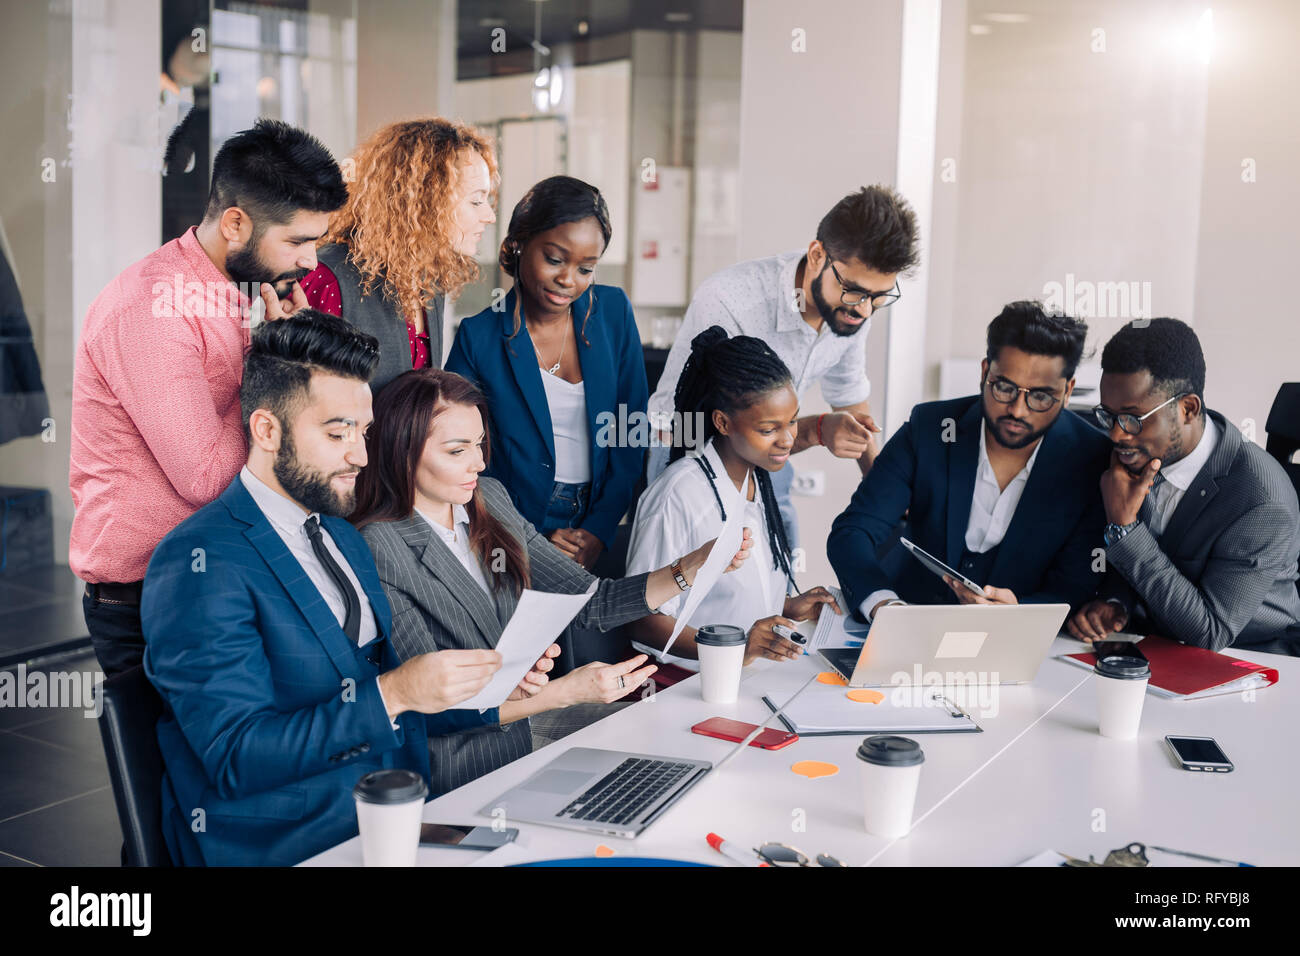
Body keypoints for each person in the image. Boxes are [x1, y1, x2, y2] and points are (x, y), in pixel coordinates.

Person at [142, 312, 557, 866]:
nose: (360, 456)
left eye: (362, 434)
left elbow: (389, 699)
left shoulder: (342, 534)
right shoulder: (200, 563)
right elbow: (236, 756)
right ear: (267, 431)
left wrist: (488, 686)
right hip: (289, 841)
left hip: (397, 814)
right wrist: (396, 693)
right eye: (337, 434)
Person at [351, 368, 753, 791]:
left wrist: (692, 566)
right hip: (464, 756)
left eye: (480, 444)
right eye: (457, 451)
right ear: (403, 451)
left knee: (678, 748)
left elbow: (593, 603)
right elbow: (431, 711)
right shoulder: (379, 547)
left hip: (526, 717)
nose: (480, 462)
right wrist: (566, 690)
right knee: (650, 772)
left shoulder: (490, 500)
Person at [71, 119, 347, 678]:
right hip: (148, 595)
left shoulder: (242, 288)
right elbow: (206, 477)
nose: (312, 262)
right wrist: (277, 360)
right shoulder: (151, 310)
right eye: (297, 241)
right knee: (168, 767)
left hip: (225, 572)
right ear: (236, 223)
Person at [646, 185, 921, 546]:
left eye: (879, 296)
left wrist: (888, 494)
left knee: (781, 588)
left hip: (769, 466)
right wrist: (818, 430)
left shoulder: (854, 307)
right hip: (691, 462)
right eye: (855, 291)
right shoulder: (730, 301)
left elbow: (849, 394)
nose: (865, 309)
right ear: (817, 255)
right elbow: (713, 431)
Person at [828, 302, 1110, 622]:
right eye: (1004, 387)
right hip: (909, 620)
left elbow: (1077, 584)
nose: (1018, 410)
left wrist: (1020, 610)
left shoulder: (1091, 458)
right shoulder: (930, 428)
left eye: (1041, 396)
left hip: (1015, 646)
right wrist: (885, 607)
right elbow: (854, 531)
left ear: (1068, 391)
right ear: (984, 372)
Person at [446, 176, 647, 571]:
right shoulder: (480, 336)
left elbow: (630, 429)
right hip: (512, 527)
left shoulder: (613, 313)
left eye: (585, 268)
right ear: (520, 242)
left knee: (597, 627)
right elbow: (460, 454)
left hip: (601, 516)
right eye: (554, 259)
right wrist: (526, 536)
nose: (568, 280)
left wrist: (599, 529)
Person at [1067, 318, 1300, 654]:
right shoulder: (1134, 454)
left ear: (1188, 408)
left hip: (1250, 657)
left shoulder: (1261, 501)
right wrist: (1117, 602)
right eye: (1109, 416)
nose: (1117, 435)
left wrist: (1124, 529)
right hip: (1153, 642)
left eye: (1132, 418)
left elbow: (1210, 633)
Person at [625, 327, 841, 670]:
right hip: (682, 684)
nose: (787, 440)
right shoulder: (679, 493)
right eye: (769, 429)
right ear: (723, 423)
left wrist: (786, 605)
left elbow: (721, 599)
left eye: (793, 422)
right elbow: (641, 619)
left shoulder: (756, 482)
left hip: (746, 677)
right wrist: (736, 649)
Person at [301, 118, 498, 392]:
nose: (490, 216)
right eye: (476, 201)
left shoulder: (429, 279)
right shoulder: (328, 277)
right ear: (424, 200)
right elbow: (302, 401)